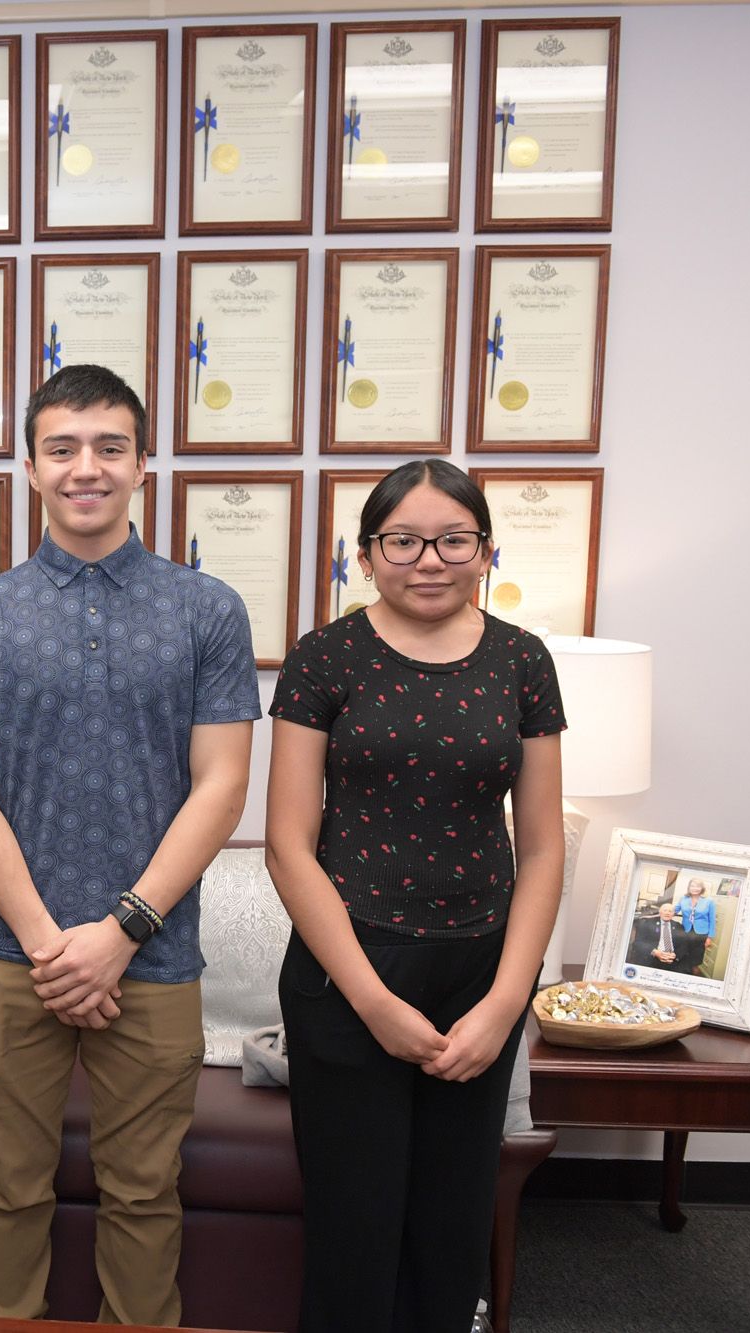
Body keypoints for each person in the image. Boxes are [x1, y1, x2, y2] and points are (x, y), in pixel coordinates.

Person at [0, 364, 258, 1325]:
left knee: (147, 1194)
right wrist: (48, 944)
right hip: (7, 954)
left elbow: (223, 784)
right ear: (29, 466)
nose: (87, 467)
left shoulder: (208, 609)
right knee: (6, 1190)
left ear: (142, 464)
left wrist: (120, 928)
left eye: (110, 447)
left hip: (153, 956)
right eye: (64, 447)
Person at [264, 457, 566, 1333]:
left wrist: (507, 1001)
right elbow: (289, 844)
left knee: (451, 1232)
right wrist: (373, 1001)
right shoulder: (325, 657)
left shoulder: (523, 659)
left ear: (485, 551)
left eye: (452, 539)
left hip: (480, 970)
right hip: (347, 972)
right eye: (402, 540)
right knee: (353, 1232)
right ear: (367, 554)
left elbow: (542, 844)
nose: (428, 559)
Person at [628, 902, 707, 974]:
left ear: (673, 914)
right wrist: (655, 952)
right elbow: (638, 943)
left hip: (672, 961)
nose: (667, 913)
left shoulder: (678, 926)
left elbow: (683, 945)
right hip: (653, 958)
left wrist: (675, 955)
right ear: (660, 912)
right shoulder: (647, 924)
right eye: (665, 910)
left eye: (670, 911)